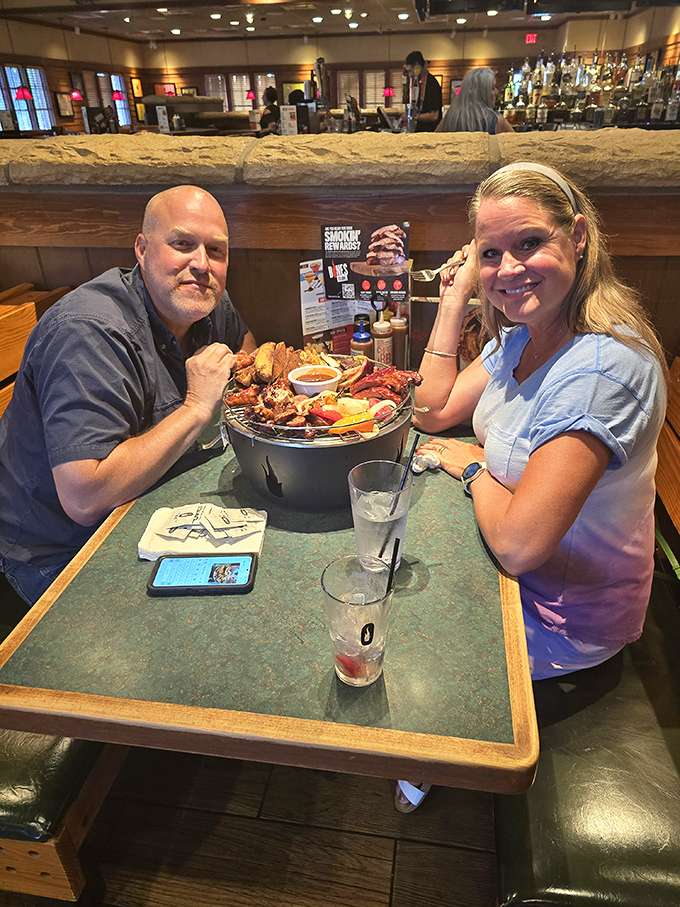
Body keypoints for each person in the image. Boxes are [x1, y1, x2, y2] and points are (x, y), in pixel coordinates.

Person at [395, 162, 667, 812]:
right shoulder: (525, 336)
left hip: (567, 615)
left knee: (402, 642)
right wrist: (455, 297)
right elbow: (430, 409)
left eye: (528, 243)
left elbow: (519, 544)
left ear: (578, 237)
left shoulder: (602, 369)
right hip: (508, 574)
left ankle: (436, 743)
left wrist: (472, 467)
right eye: (490, 253)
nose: (508, 268)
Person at [0, 185, 257, 606]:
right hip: (61, 551)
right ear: (142, 249)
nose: (201, 263)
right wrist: (196, 407)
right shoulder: (88, 333)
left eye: (216, 250)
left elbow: (247, 351)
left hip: (150, 511)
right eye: (182, 244)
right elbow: (85, 498)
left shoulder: (205, 300)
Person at [436, 67, 513, 134]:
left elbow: (433, 142)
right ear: (482, 93)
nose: (497, 92)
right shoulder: (497, 121)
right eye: (493, 88)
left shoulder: (450, 117)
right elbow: (516, 143)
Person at [404, 50, 442, 131]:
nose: (410, 75)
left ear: (417, 66)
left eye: (410, 71)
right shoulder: (419, 83)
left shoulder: (431, 83)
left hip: (429, 132)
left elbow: (434, 116)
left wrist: (411, 117)